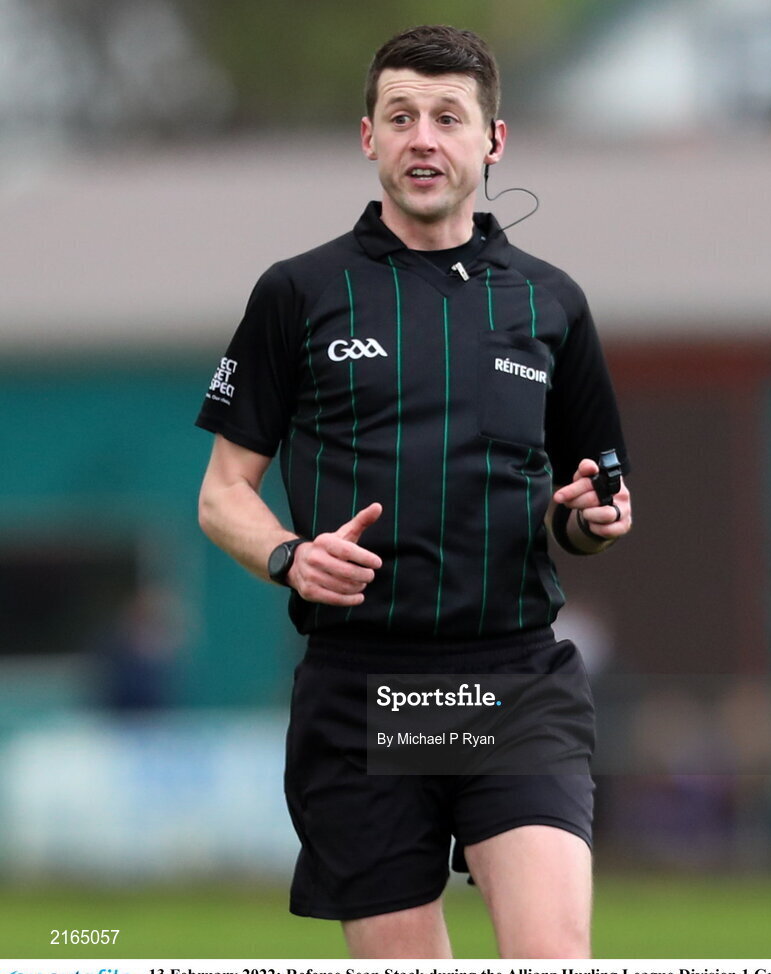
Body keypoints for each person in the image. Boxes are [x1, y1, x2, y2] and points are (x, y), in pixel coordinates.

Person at [196, 24, 632, 959]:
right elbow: (222, 492)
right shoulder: (298, 293)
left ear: (492, 141)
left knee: (553, 954)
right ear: (369, 139)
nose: (422, 137)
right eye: (400, 117)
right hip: (363, 688)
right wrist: (287, 555)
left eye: (446, 116)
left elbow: (594, 503)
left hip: (515, 678)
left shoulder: (551, 303)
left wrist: (593, 521)